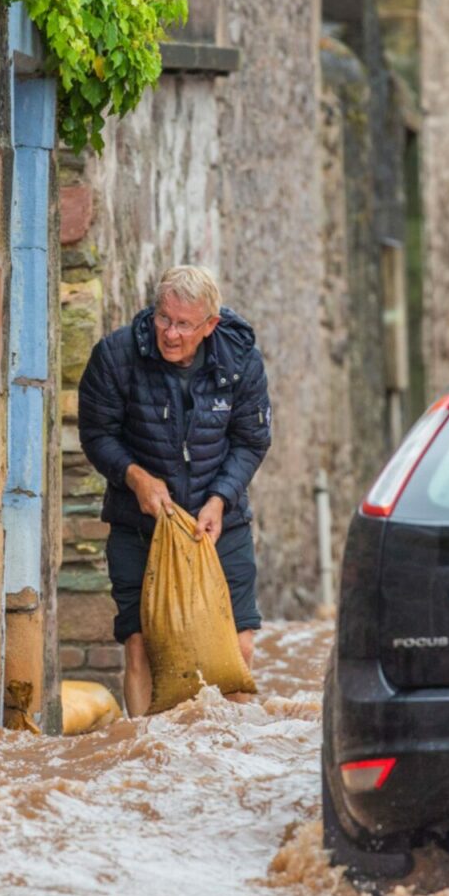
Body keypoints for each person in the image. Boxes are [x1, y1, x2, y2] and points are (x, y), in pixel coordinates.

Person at [77, 265, 272, 714]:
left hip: (219, 522)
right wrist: (136, 477)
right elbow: (96, 435)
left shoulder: (240, 361)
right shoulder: (117, 356)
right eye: (164, 318)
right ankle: (147, 755)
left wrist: (221, 499)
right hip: (140, 523)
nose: (170, 333)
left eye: (185, 324)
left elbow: (251, 440)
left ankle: (230, 763)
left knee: (237, 649)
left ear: (210, 325)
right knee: (142, 647)